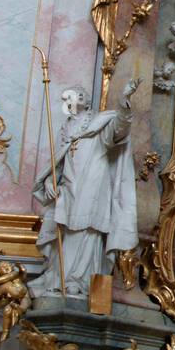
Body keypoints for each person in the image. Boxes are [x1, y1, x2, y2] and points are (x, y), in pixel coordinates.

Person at [31, 79, 139, 296]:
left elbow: (120, 127)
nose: (70, 99)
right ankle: (56, 276)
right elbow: (58, 162)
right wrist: (51, 181)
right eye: (68, 97)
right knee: (63, 228)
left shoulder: (100, 124)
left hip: (92, 184)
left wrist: (124, 100)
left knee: (86, 231)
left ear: (85, 102)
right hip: (68, 185)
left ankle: (78, 280)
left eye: (75, 95)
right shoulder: (66, 127)